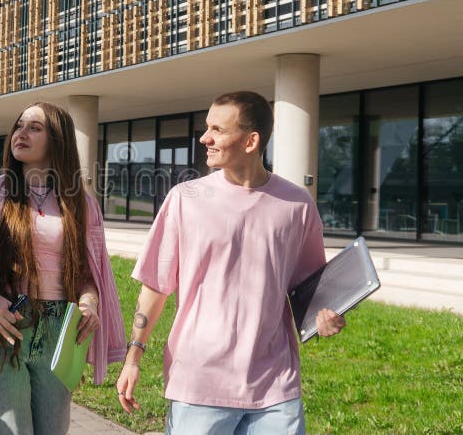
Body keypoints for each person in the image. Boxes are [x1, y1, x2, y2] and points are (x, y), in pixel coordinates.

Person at [116, 91, 346, 435]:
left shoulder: (297, 204)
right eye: (207, 127)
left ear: (251, 141)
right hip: (199, 380)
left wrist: (324, 316)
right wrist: (133, 359)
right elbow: (155, 287)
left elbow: (308, 288)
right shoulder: (185, 200)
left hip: (275, 386)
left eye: (217, 130)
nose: (204, 138)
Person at [0, 102, 126, 435]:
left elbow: (89, 276)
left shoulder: (81, 202)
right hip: (3, 326)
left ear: (58, 139)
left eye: (35, 127)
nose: (21, 133)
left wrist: (89, 304)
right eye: (19, 126)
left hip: (59, 330)